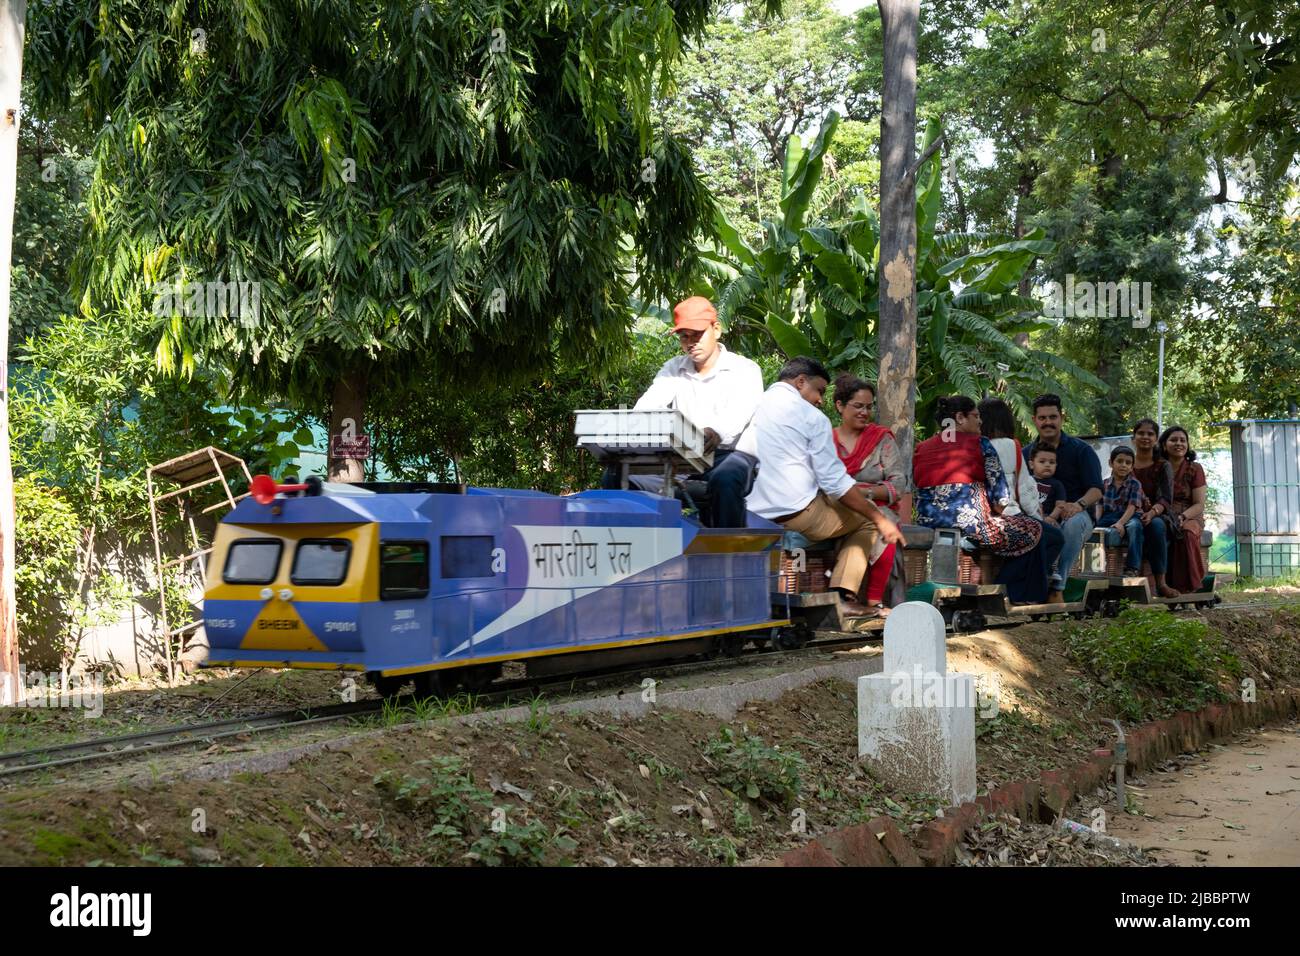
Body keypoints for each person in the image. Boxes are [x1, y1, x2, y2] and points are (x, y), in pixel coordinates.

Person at [746, 357, 905, 616]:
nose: (819, 399)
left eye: (869, 407)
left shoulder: (753, 405)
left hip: (753, 509)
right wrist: (878, 517)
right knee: (869, 521)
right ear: (800, 382)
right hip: (795, 512)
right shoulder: (813, 419)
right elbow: (836, 483)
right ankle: (843, 596)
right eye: (818, 390)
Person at [602, 296, 763, 527]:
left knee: (726, 479)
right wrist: (631, 427)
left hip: (726, 456)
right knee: (615, 474)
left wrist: (715, 432)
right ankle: (633, 546)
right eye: (684, 336)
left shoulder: (744, 369)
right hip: (680, 459)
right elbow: (649, 404)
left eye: (697, 335)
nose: (691, 343)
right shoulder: (673, 368)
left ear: (716, 330)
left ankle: (728, 553)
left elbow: (739, 413)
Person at [913, 396, 1050, 604]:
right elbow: (1001, 500)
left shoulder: (922, 447)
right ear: (960, 418)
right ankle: (1013, 595)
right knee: (1034, 529)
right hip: (972, 526)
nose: (980, 422)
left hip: (928, 523)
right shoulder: (981, 444)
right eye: (976, 416)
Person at [832, 374, 909, 615]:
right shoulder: (826, 438)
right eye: (858, 406)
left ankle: (874, 600)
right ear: (840, 406)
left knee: (884, 524)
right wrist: (849, 493)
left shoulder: (881, 438)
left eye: (868, 406)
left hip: (877, 505)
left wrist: (866, 491)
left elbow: (899, 482)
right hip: (837, 504)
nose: (865, 412)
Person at [1022, 394, 1102, 603]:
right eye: (1042, 418)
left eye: (1053, 417)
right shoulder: (1025, 454)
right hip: (1036, 514)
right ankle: (1023, 586)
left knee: (1072, 525)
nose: (1048, 422)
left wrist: (1078, 505)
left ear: (1062, 418)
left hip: (1076, 513)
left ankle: (1057, 588)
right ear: (1034, 420)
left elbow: (1097, 489)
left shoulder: (1081, 450)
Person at [980, 397, 1065, 588]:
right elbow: (1025, 490)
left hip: (980, 515)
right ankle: (1008, 585)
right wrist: (1037, 518)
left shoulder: (976, 445)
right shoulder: (1011, 446)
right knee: (1054, 538)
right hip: (1007, 515)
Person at [1131, 418, 1179, 597]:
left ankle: (1161, 583)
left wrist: (1151, 513)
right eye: (1141, 433)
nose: (1145, 437)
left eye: (1150, 434)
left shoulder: (1162, 466)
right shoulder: (1125, 463)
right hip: (1128, 513)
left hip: (1157, 514)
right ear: (1133, 438)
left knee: (1157, 526)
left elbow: (1166, 498)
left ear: (1156, 439)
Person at [1161, 425, 1208, 593]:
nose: (1178, 443)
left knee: (1186, 533)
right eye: (1173, 440)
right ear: (1164, 445)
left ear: (1188, 445)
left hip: (1190, 515)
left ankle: (1192, 587)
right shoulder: (1158, 467)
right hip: (1163, 513)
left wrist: (1182, 517)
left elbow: (1199, 504)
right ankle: (1161, 585)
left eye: (1183, 440)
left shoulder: (1195, 469)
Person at [1098, 446, 1145, 575]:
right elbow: (1100, 505)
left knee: (1135, 527)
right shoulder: (1104, 484)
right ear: (1111, 463)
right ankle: (1095, 565)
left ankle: (1132, 567)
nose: (1123, 465)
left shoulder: (1135, 484)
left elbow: (1132, 507)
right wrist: (1095, 521)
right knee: (1093, 529)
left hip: (1130, 516)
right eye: (1119, 461)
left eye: (1128, 463)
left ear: (1132, 466)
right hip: (1109, 516)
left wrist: (1121, 523)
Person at [1027, 444, 1068, 525]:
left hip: (1049, 519)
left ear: (1056, 465)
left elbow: (1060, 505)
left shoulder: (1057, 484)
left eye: (1052, 462)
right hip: (1028, 518)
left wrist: (1051, 517)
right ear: (1031, 464)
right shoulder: (1026, 481)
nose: (1047, 465)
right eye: (1042, 461)